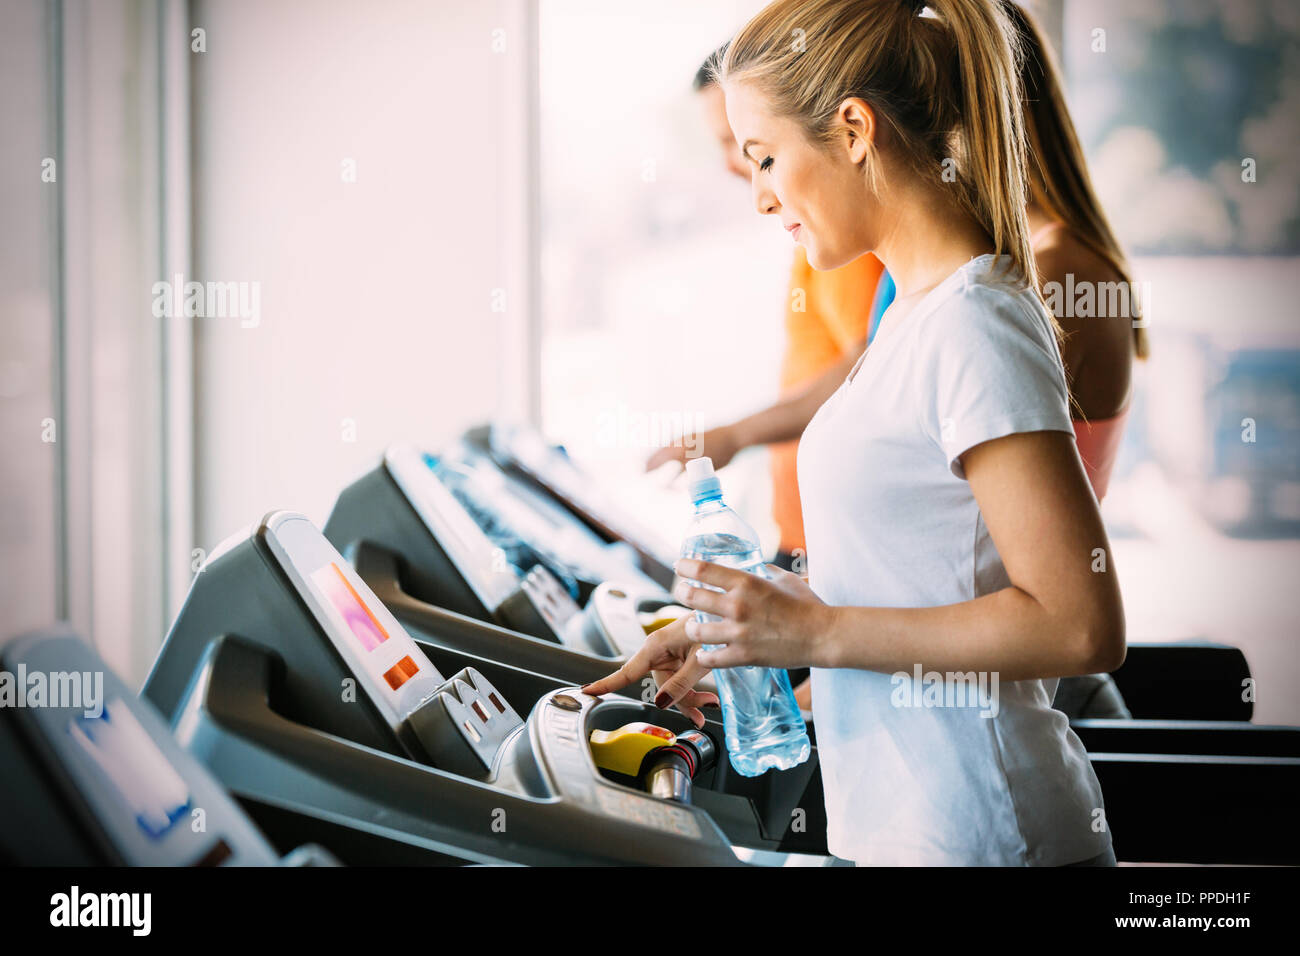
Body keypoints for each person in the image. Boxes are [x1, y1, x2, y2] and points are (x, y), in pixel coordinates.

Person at [587, 0, 1125, 866]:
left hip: (991, 836)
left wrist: (820, 634)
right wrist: (753, 630)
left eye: (765, 158)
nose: (760, 196)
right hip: (909, 831)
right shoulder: (912, 316)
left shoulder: (975, 323)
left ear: (853, 129)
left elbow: (1078, 624)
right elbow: (919, 577)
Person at [652, 45, 891, 708]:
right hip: (811, 560)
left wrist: (735, 434)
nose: (748, 180)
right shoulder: (815, 233)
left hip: (834, 562)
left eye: (755, 149)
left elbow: (866, 368)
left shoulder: (848, 239)